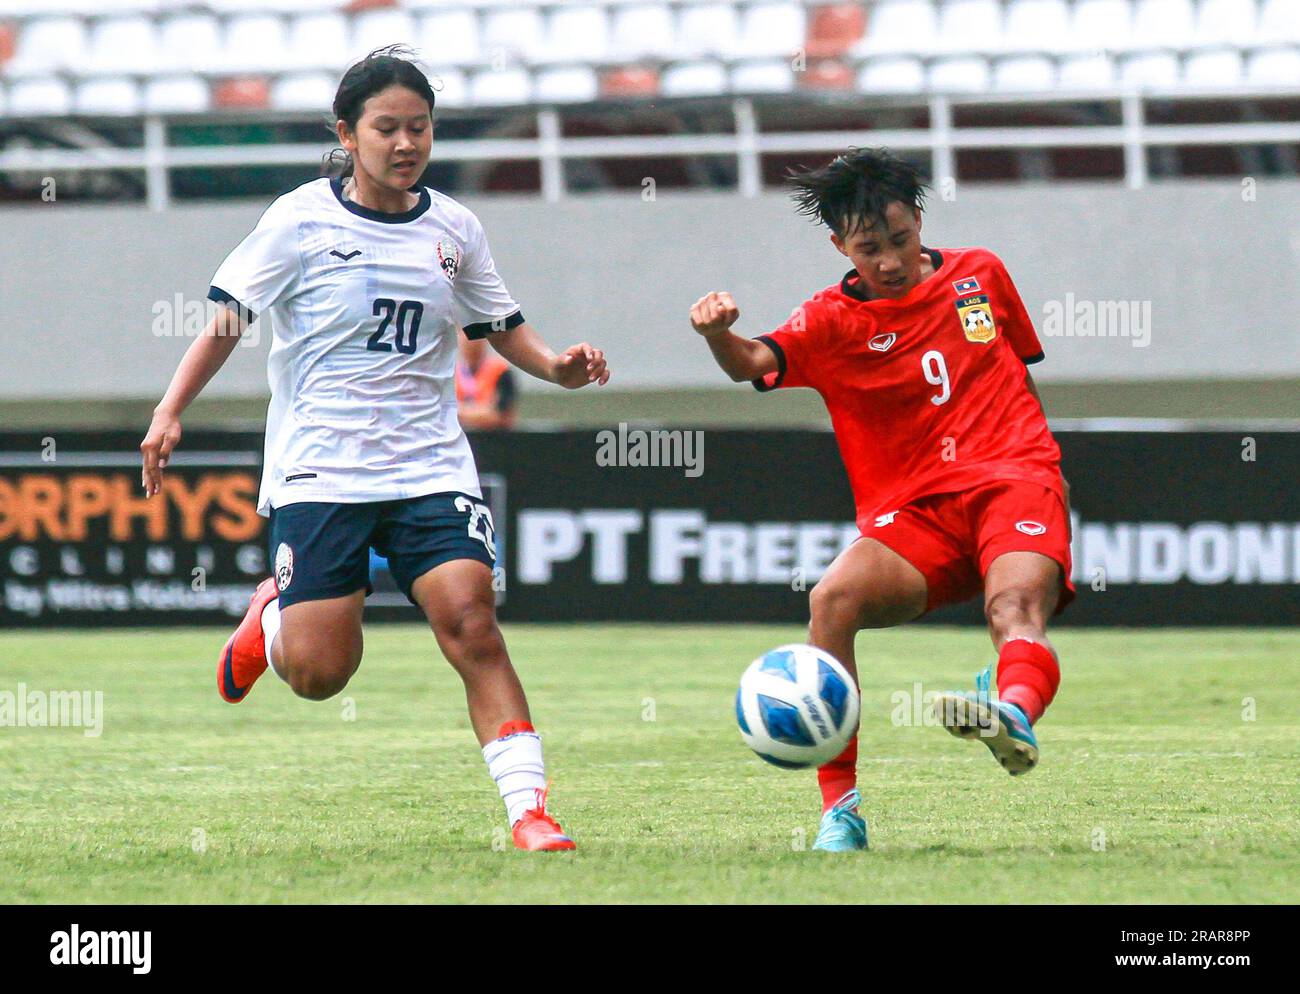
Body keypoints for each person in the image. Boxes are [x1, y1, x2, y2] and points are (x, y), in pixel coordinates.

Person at [140, 47, 609, 852]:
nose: (405, 143)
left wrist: (557, 366)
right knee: (321, 676)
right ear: (346, 135)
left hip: (430, 464)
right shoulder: (298, 220)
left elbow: (500, 326)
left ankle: (529, 811)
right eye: (386, 128)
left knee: (472, 622)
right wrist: (170, 410)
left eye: (419, 128)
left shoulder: (455, 228)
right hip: (322, 468)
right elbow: (226, 319)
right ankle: (272, 618)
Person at [689, 147, 1071, 852]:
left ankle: (1010, 713)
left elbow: (1017, 371)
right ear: (840, 245)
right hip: (914, 514)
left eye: (901, 240)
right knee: (832, 602)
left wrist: (1046, 476)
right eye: (870, 249)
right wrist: (719, 335)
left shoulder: (981, 275)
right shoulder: (830, 322)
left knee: (1012, 606)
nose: (890, 260)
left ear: (919, 220)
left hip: (1013, 475)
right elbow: (751, 362)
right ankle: (843, 812)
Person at [455, 328, 518, 431]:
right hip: (459, 438)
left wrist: (459, 411)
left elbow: (499, 414)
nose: (471, 341)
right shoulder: (451, 374)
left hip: (494, 438)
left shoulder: (501, 371)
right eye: (466, 336)